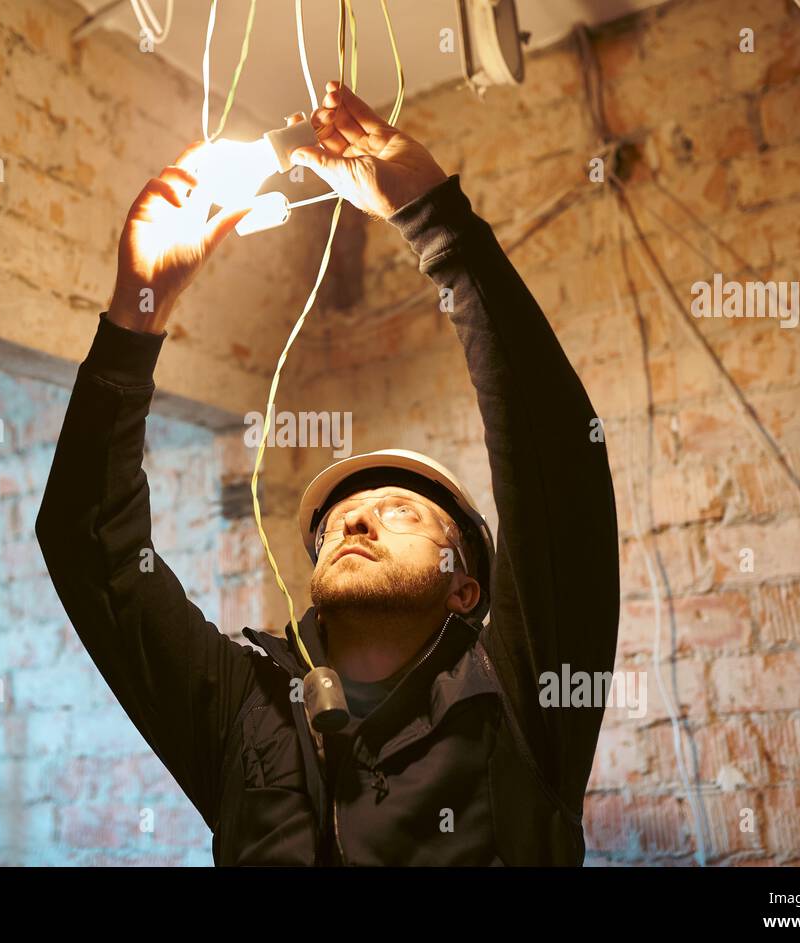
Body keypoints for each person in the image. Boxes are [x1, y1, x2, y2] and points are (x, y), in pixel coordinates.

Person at [36, 80, 619, 865]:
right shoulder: (246, 713)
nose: (358, 517)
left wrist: (436, 221)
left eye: (404, 513)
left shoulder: (520, 697)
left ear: (464, 587)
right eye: (346, 515)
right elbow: (88, 545)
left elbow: (559, 466)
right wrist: (137, 310)